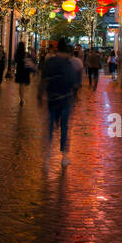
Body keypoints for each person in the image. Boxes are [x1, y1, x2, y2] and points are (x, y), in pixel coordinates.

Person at [39, 37, 81, 166]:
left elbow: (43, 79)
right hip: (65, 100)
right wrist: (75, 98)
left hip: (52, 99)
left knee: (50, 127)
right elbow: (74, 84)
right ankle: (64, 157)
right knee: (64, 128)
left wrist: (39, 96)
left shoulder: (50, 62)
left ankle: (47, 157)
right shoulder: (69, 64)